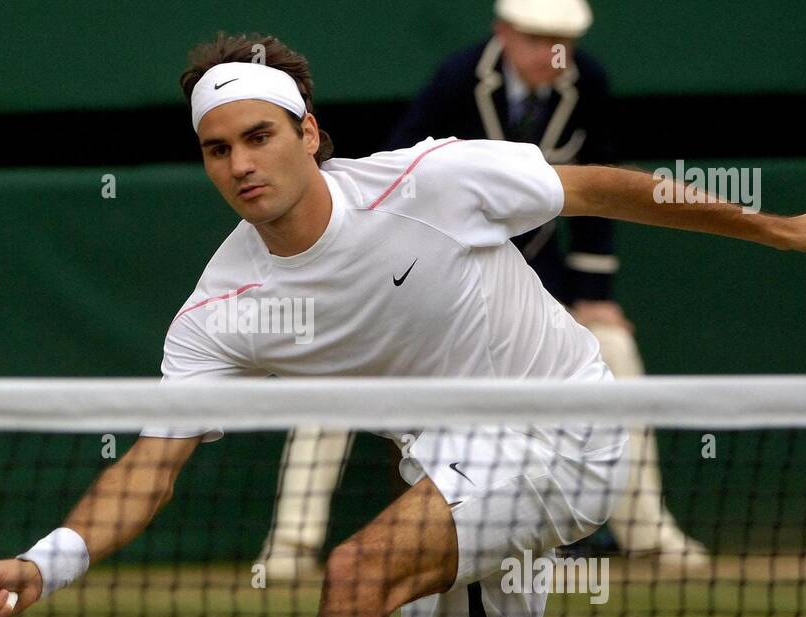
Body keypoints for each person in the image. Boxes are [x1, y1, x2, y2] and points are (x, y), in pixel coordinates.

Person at [0, 32, 806, 617]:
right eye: (217, 148)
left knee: (353, 572)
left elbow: (601, 186)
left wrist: (775, 226)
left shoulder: (432, 180)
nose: (240, 162)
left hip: (564, 422)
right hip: (441, 466)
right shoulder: (220, 309)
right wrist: (41, 562)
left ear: (311, 134)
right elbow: (154, 463)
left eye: (260, 135)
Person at [261, 0, 705, 578]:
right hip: (427, 286)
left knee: (616, 352)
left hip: (537, 289)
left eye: (565, 41)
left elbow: (599, 189)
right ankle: (289, 548)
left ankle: (650, 536)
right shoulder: (456, 80)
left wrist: (596, 293)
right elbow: (393, 182)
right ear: (504, 33)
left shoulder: (587, 82)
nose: (555, 54)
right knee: (334, 382)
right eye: (540, 38)